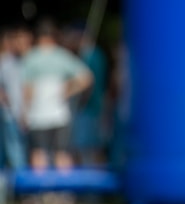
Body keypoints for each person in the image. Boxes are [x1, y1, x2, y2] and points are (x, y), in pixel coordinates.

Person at [22, 18, 93, 173]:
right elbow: (86, 78)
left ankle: (39, 193)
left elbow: (28, 90)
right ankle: (64, 192)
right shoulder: (62, 56)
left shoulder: (30, 58)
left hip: (37, 114)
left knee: (38, 153)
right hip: (60, 112)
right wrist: (68, 91)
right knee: (62, 153)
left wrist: (25, 112)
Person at [62, 23, 110, 167]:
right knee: (93, 146)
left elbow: (88, 83)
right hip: (97, 106)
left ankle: (90, 183)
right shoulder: (99, 54)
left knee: (86, 147)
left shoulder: (88, 56)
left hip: (88, 109)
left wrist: (82, 102)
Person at [0, 25, 30, 172]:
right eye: (17, 41)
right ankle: (22, 191)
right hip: (11, 116)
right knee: (16, 154)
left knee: (33, 153)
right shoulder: (5, 63)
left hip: (33, 116)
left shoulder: (33, 61)